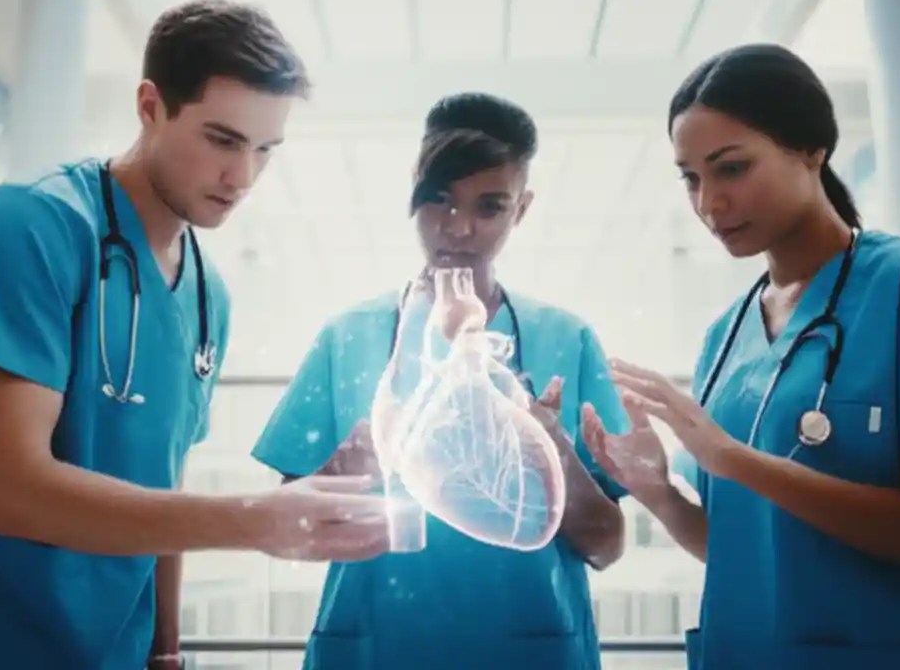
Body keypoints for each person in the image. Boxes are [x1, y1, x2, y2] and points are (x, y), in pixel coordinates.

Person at [0, 0, 402, 670]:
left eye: (264, 150)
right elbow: (12, 491)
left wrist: (165, 648)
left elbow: (165, 472)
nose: (242, 178)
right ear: (150, 106)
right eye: (222, 140)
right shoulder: (27, 229)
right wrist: (253, 519)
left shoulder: (206, 294)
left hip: (107, 653)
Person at [582, 43, 900, 670]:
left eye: (731, 168)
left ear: (813, 149)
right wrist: (657, 492)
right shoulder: (727, 335)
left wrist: (734, 459)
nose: (708, 202)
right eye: (691, 177)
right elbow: (743, 549)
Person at [250, 92, 632, 670]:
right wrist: (338, 477)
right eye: (439, 200)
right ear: (413, 189)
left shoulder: (567, 341)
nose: (459, 229)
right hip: (375, 648)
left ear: (520, 210)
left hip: (527, 650)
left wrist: (549, 448)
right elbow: (280, 533)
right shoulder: (347, 337)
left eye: (489, 206)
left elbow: (607, 545)